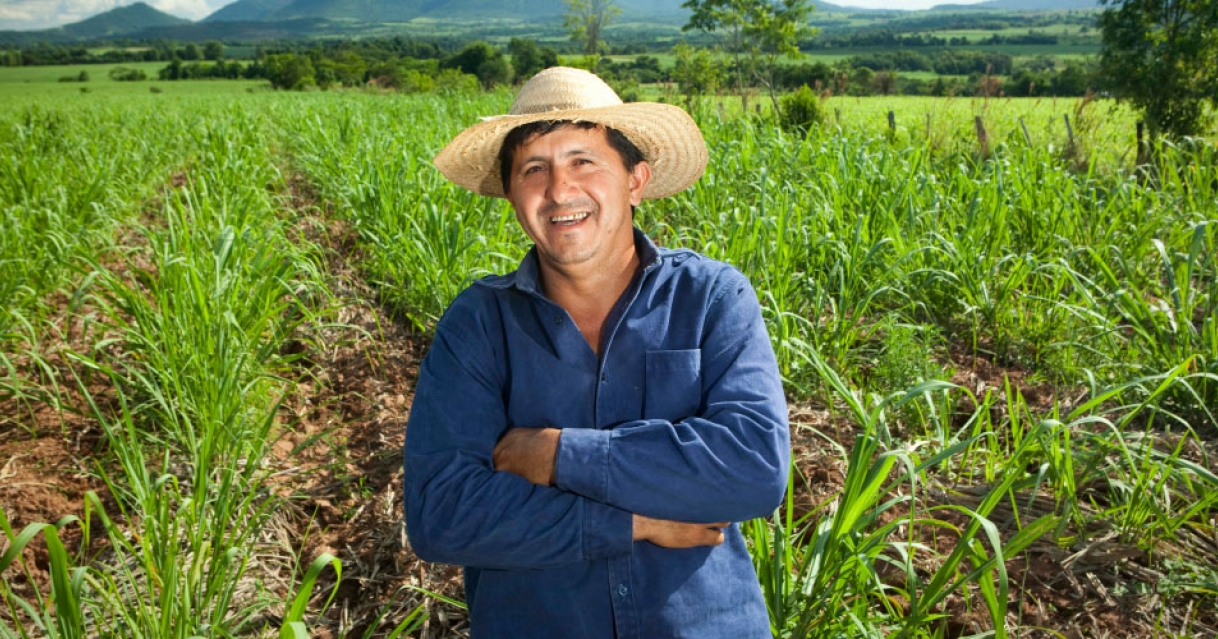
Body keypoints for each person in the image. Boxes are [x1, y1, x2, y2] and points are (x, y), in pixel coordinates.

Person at [404, 66, 790, 639]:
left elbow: (755, 468)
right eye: (534, 168)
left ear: (635, 179)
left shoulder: (710, 297)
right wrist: (636, 520)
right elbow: (443, 514)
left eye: (584, 161)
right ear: (512, 194)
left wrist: (557, 455)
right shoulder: (479, 324)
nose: (560, 189)